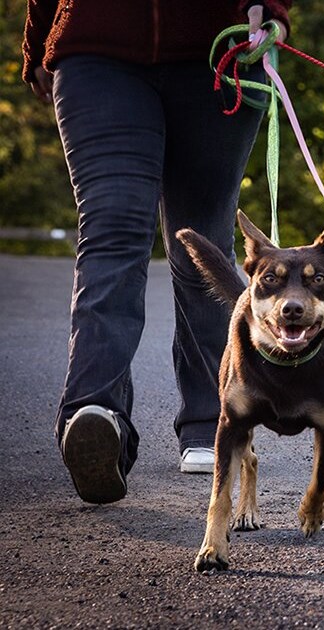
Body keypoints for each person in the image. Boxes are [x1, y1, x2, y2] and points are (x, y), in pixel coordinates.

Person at [22, 0, 293, 504]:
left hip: (216, 55)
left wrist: (269, 7)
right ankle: (95, 414)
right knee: (113, 229)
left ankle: (215, 420)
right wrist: (38, 41)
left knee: (201, 241)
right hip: (97, 49)